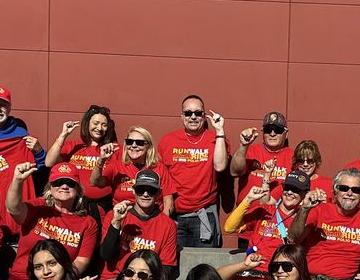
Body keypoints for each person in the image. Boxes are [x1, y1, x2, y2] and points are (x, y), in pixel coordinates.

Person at [4, 161, 99, 280]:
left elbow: (82, 261)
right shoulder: (39, 207)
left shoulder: (88, 223)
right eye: (58, 182)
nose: (64, 186)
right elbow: (13, 209)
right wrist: (17, 180)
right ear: (50, 187)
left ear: (78, 189)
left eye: (70, 183)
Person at [158, 95, 230, 247]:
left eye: (198, 113)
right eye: (188, 113)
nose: (193, 117)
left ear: (204, 116)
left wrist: (220, 130)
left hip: (203, 214)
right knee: (172, 260)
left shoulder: (216, 139)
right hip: (175, 216)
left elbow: (220, 166)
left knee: (204, 261)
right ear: (181, 116)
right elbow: (161, 178)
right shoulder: (167, 141)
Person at [288, 168, 360, 280]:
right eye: (344, 188)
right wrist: (304, 209)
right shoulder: (320, 210)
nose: (349, 193)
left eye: (356, 190)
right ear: (335, 190)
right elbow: (293, 237)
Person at [98, 169, 179, 280]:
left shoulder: (168, 225)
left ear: (159, 193)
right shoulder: (115, 215)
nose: (145, 194)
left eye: (151, 191)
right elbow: (105, 255)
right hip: (114, 278)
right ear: (134, 191)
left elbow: (166, 268)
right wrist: (116, 223)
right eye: (141, 189)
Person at [224, 171, 310, 265]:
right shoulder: (264, 211)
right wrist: (248, 199)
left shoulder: (302, 220)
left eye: (295, 190)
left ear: (305, 194)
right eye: (287, 187)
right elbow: (229, 228)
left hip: (281, 271)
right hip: (254, 268)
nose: (289, 192)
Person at [88, 125, 173, 215]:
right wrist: (101, 160)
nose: (133, 145)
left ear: (148, 146)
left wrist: (162, 221)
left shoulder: (159, 168)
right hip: (123, 218)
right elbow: (94, 182)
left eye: (139, 143)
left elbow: (168, 203)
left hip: (152, 218)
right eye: (129, 142)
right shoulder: (116, 167)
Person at [43, 105, 118, 206]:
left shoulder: (113, 149)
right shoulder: (73, 146)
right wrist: (63, 135)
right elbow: (49, 163)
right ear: (87, 124)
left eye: (104, 125)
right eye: (95, 123)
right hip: (76, 203)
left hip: (104, 204)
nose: (99, 128)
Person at [231, 110, 292, 200]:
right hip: (247, 208)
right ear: (263, 132)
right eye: (268, 130)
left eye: (278, 130)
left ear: (286, 134)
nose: (272, 134)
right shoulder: (250, 151)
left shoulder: (293, 156)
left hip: (276, 209)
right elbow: (235, 172)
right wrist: (243, 146)